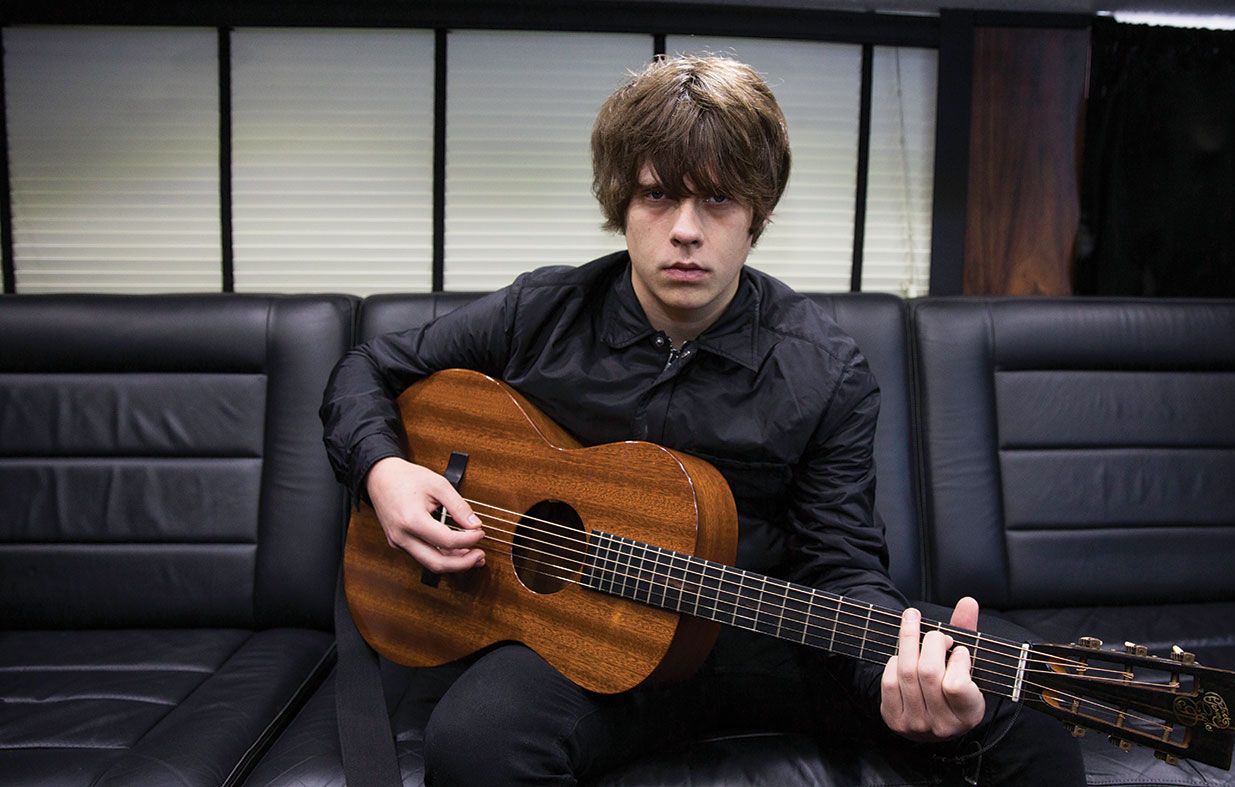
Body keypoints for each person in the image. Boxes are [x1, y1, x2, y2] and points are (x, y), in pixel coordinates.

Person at [321, 54, 1085, 785]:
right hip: (582, 641)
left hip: (767, 637)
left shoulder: (826, 367)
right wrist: (383, 470)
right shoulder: (541, 312)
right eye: (658, 195)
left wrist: (895, 673)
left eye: (717, 199)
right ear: (621, 205)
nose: (685, 228)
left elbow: (842, 561)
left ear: (756, 214)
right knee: (474, 743)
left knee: (1029, 705)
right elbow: (366, 369)